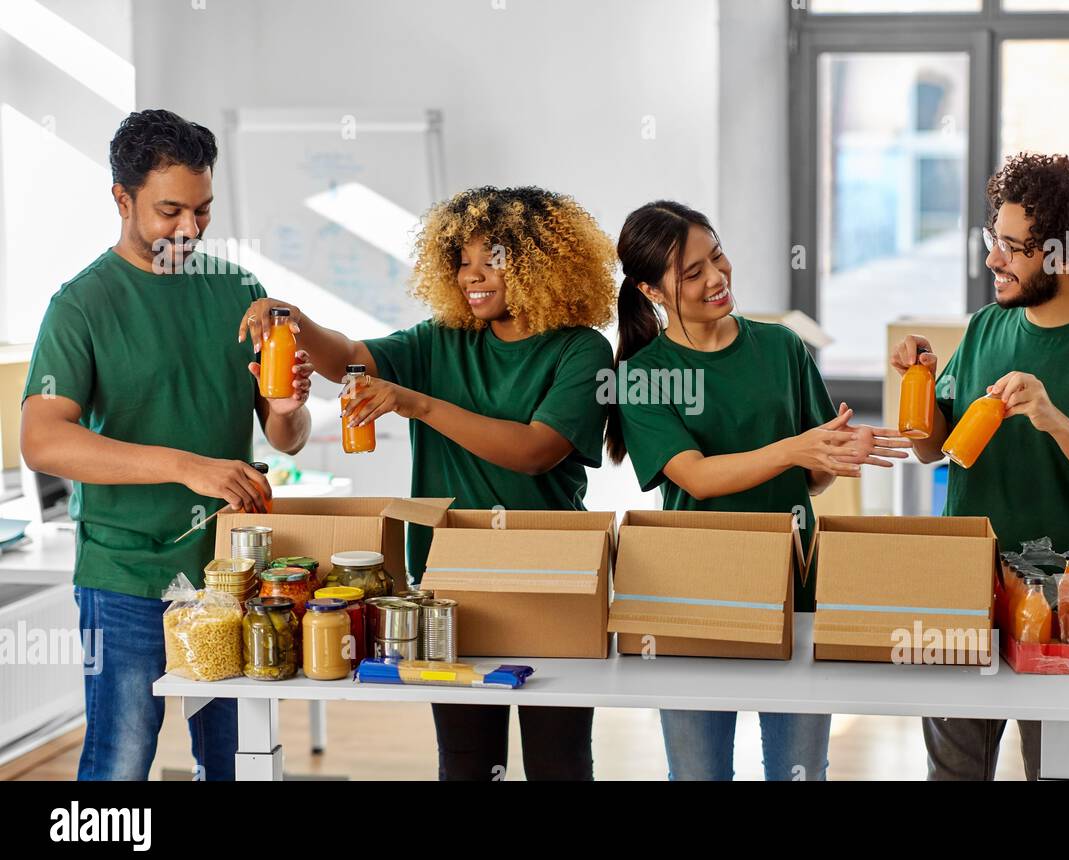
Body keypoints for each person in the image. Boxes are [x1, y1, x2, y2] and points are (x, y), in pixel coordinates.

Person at [239, 186, 617, 780]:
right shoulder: (441, 339)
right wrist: (291, 317)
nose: (472, 276)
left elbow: (536, 452)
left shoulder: (583, 350)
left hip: (552, 576)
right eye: (462, 263)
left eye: (490, 259)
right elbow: (347, 359)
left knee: (559, 763)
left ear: (540, 263)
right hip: (450, 583)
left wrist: (417, 403)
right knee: (466, 764)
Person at [20, 109, 313, 781]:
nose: (190, 229)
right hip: (125, 573)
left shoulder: (238, 292)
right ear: (121, 198)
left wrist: (291, 403)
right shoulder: (83, 305)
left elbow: (285, 435)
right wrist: (189, 469)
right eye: (170, 210)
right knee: (121, 760)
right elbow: (41, 439)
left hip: (230, 573)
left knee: (237, 758)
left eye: (204, 211)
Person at [895, 153, 1069, 780]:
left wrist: (1053, 419)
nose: (994, 259)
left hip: (1066, 602)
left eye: (1013, 248)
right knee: (954, 775)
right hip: (966, 585)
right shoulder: (985, 327)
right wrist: (919, 380)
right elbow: (933, 449)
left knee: (1056, 775)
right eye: (994, 240)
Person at [608, 200, 909, 780]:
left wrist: (835, 454)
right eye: (692, 273)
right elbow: (695, 475)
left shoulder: (782, 347)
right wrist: (796, 449)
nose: (717, 278)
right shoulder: (643, 375)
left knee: (800, 770)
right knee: (699, 774)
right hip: (694, 594)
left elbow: (811, 478)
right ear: (651, 290)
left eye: (717, 256)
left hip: (794, 584)